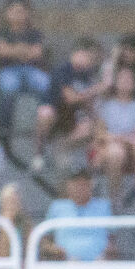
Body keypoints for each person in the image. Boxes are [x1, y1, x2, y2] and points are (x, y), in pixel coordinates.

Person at [38, 36, 103, 169]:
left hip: (74, 119)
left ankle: (62, 147)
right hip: (57, 115)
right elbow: (70, 98)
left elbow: (86, 103)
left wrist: (95, 117)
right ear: (78, 53)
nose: (92, 62)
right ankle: (39, 154)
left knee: (95, 125)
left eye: (94, 60)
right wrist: (97, 89)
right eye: (90, 58)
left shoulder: (87, 74)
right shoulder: (63, 70)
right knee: (45, 113)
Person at [92, 66, 135, 202]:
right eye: (122, 78)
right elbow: (100, 133)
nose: (126, 81)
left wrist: (123, 139)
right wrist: (116, 138)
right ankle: (114, 198)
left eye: (129, 79)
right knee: (116, 152)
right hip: (111, 146)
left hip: (132, 147)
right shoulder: (106, 106)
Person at [0, 0, 49, 130]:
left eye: (21, 11)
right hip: (8, 71)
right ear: (7, 13)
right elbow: (0, 51)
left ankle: (45, 129)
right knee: (7, 87)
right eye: (14, 11)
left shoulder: (34, 33)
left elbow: (37, 53)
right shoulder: (3, 33)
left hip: (31, 70)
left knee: (46, 84)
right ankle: (4, 132)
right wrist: (24, 51)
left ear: (27, 13)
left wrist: (13, 50)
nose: (18, 15)